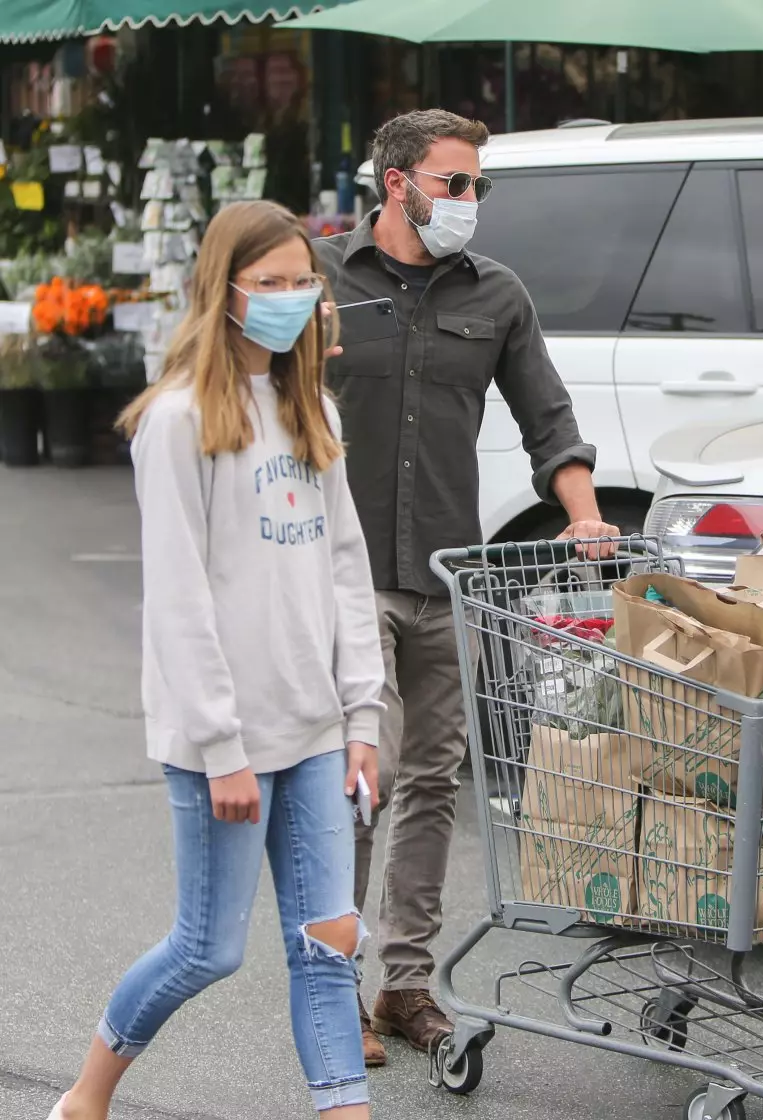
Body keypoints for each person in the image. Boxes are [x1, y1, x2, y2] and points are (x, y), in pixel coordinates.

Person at [47, 200, 384, 1120]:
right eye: (266, 283)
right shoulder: (179, 418)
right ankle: (85, 1097)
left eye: (300, 283)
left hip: (316, 730)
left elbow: (347, 567)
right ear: (222, 291)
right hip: (223, 741)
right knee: (209, 949)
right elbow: (179, 597)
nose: (286, 299)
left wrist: (363, 718)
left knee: (328, 944)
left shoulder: (310, 407)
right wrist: (221, 745)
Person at [314, 109, 620, 1067]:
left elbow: (550, 420)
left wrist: (583, 514)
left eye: (478, 185)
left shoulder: (498, 296)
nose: (470, 202)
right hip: (347, 574)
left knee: (438, 782)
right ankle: (333, 990)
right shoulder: (322, 280)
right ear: (396, 182)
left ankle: (406, 983)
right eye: (455, 184)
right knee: (368, 779)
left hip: (449, 574)